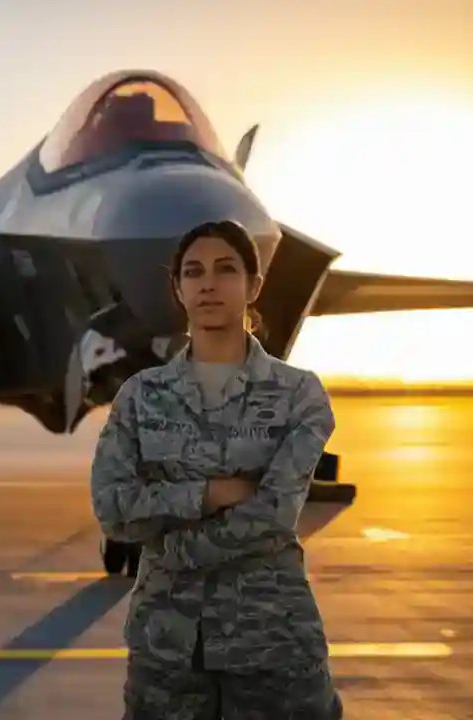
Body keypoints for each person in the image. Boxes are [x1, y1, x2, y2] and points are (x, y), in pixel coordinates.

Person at [90, 220, 343, 719]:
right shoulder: (141, 396)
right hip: (167, 652)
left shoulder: (299, 395)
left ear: (254, 285)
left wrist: (169, 548)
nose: (208, 283)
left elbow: (272, 515)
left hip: (272, 645)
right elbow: (113, 510)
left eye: (226, 269)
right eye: (193, 271)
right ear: (178, 289)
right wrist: (208, 493)